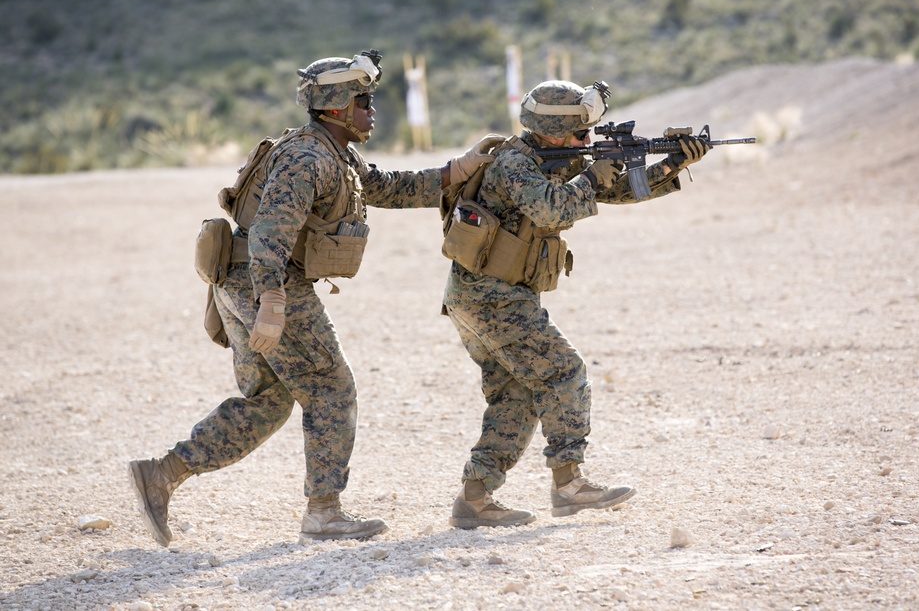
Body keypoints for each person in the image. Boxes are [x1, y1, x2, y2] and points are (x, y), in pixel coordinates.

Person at [129, 50, 503, 546]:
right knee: (331, 387)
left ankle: (161, 475)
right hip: (265, 279)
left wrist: (458, 169)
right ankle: (324, 512)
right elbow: (268, 235)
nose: (372, 109)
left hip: (245, 280)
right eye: (363, 99)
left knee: (269, 400)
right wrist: (272, 304)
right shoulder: (308, 158)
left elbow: (386, 188)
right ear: (336, 106)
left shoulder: (334, 152)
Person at [442, 79, 710, 528]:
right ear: (552, 130)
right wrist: (591, 174)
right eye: (581, 134)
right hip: (494, 298)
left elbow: (618, 190)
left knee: (518, 394)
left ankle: (475, 498)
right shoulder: (516, 164)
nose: (588, 143)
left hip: (483, 296)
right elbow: (552, 209)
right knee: (563, 372)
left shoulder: (547, 158)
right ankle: (570, 486)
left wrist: (673, 164)